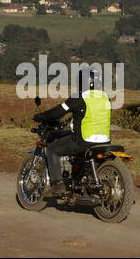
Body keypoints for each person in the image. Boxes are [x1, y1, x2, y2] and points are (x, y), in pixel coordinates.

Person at [33, 66, 111, 197]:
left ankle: (58, 184)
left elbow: (58, 112)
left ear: (82, 82)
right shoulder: (105, 98)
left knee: (52, 149)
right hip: (104, 141)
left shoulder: (79, 98)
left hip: (84, 141)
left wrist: (41, 116)